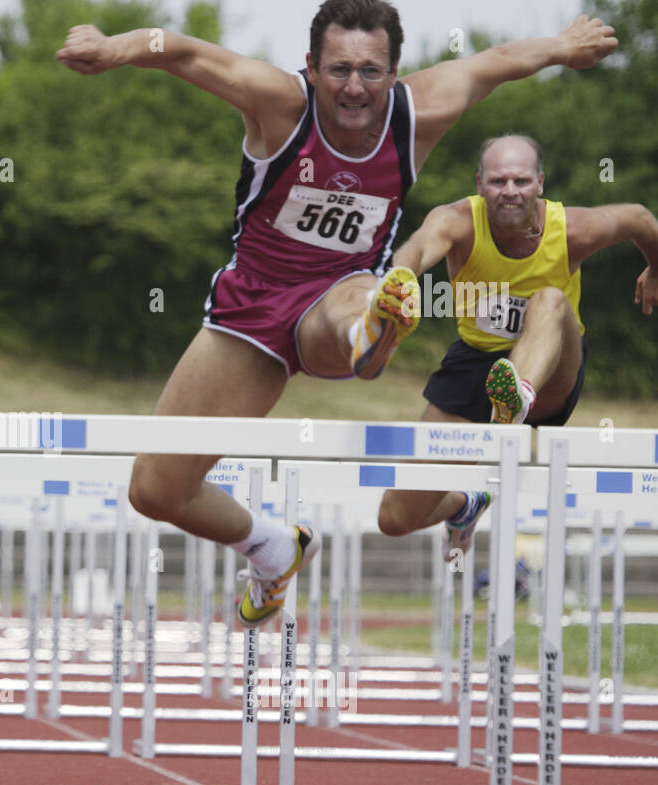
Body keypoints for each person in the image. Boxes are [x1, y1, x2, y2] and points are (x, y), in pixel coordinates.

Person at [56, 1, 616, 624]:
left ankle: (376, 331)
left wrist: (564, 46)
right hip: (250, 308)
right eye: (340, 70)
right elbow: (183, 50)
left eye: (372, 73)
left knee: (354, 304)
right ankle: (272, 548)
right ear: (312, 69)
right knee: (154, 490)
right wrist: (114, 48)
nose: (355, 88)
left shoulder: (419, 109)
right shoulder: (275, 99)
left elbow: (501, 62)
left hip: (341, 292)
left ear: (395, 72)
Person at [377, 134, 658, 548]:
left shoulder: (571, 230)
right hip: (475, 364)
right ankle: (464, 504)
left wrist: (655, 270)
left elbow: (638, 218)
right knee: (395, 517)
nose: (510, 191)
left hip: (550, 372)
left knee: (550, 299)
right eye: (498, 181)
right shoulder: (458, 221)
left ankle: (516, 395)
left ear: (540, 183)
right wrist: (396, 282)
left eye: (521, 181)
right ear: (479, 184)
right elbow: (417, 249)